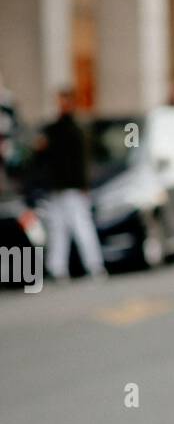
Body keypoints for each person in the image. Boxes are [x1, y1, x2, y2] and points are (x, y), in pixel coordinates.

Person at [36, 89, 106, 281]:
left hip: (73, 188)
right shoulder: (54, 129)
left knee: (81, 226)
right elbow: (43, 158)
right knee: (58, 228)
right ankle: (57, 268)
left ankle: (94, 265)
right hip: (57, 187)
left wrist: (83, 185)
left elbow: (81, 161)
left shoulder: (75, 129)